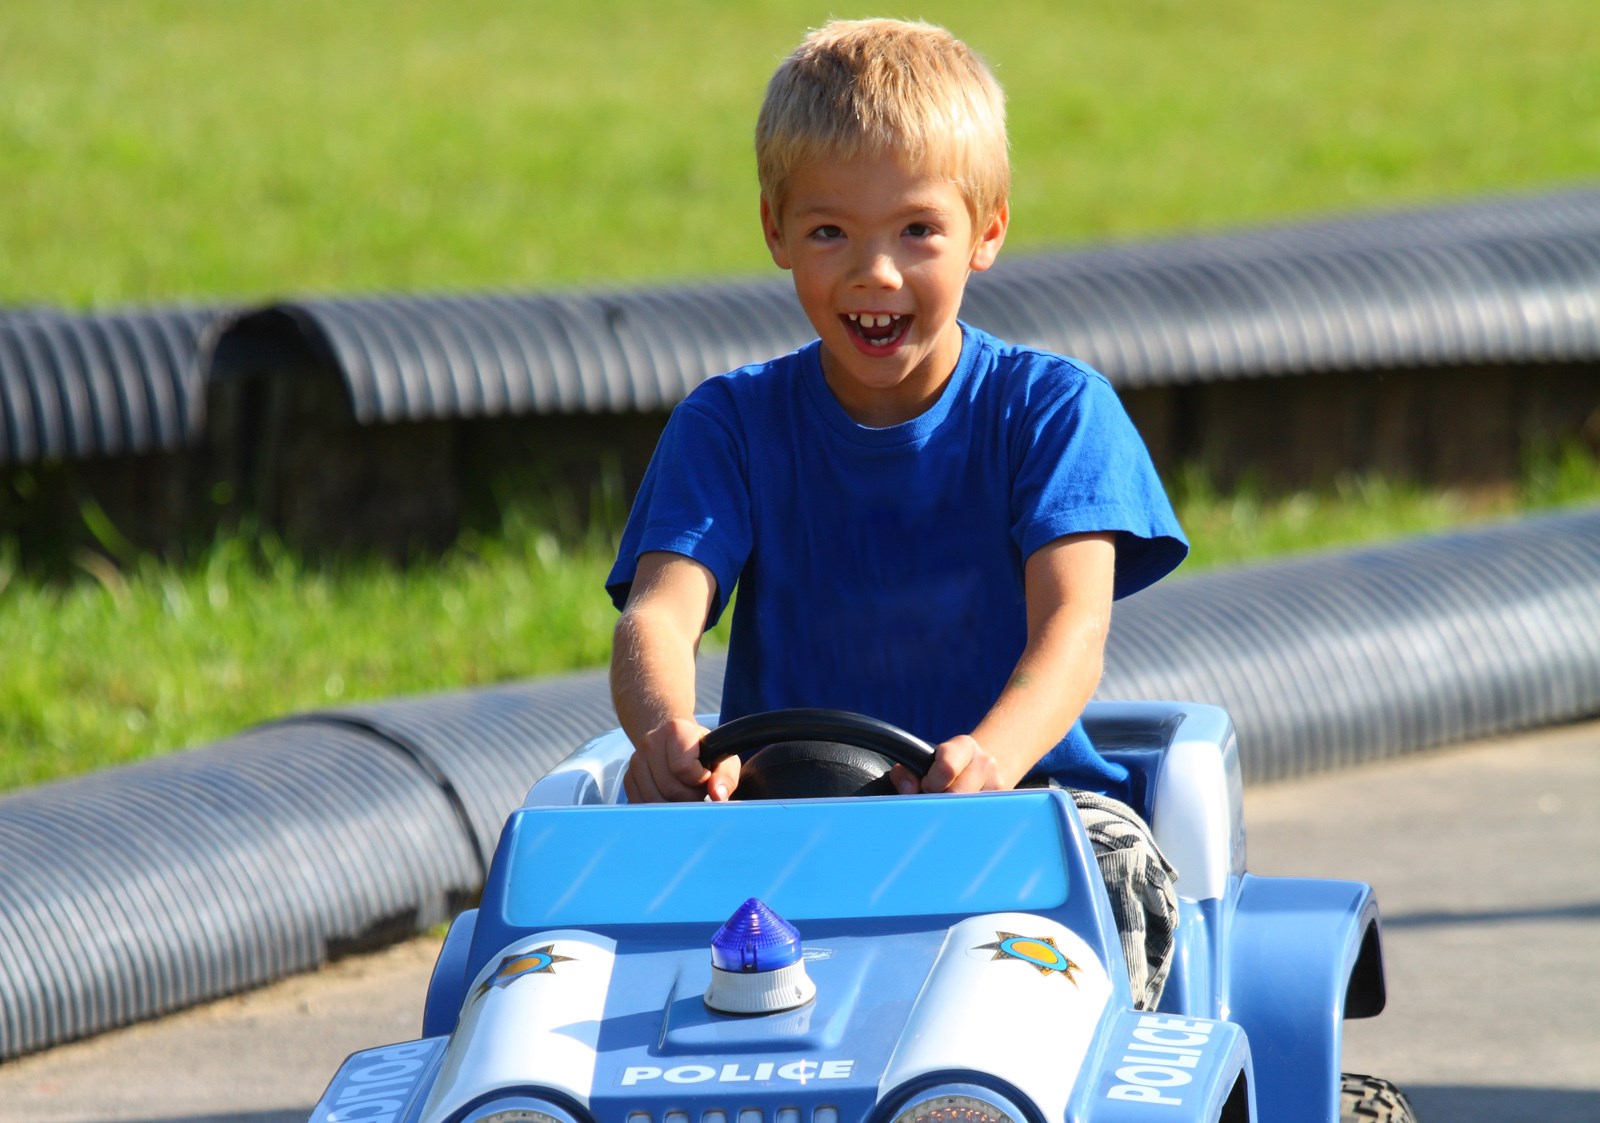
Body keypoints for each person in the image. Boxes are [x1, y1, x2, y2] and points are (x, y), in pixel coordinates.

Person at [604, 18, 1187, 1008]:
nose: (874, 272)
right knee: (601, 880)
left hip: (1017, 807)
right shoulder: (731, 424)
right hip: (779, 810)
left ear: (986, 231)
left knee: (1114, 862)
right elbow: (660, 612)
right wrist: (664, 730)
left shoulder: (1050, 411)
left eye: (917, 230)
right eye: (830, 231)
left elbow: (1072, 632)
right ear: (775, 230)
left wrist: (992, 755)